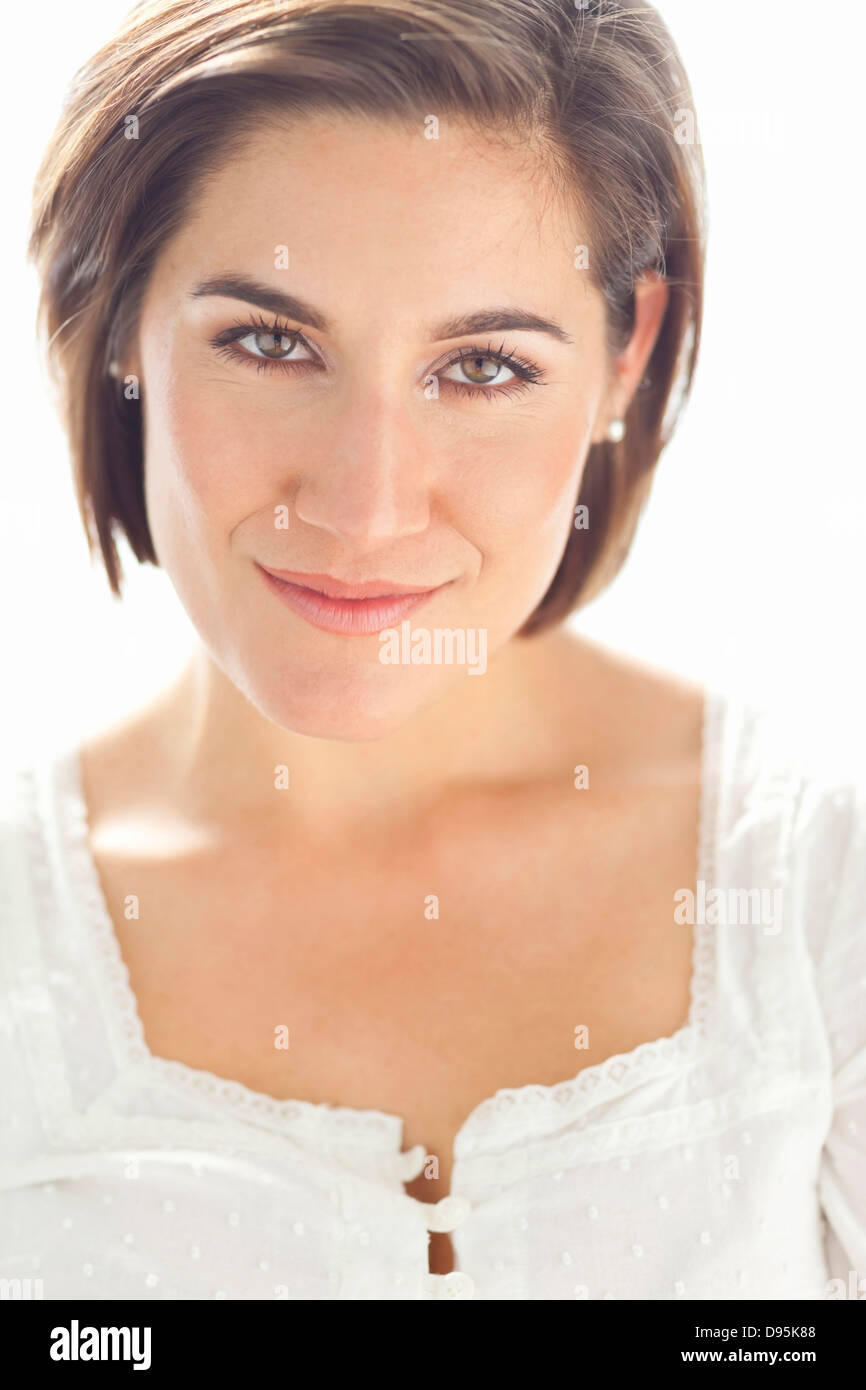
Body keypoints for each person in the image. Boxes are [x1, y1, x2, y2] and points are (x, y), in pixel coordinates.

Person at [2, 0, 862, 1301]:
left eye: (481, 368)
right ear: (121, 324)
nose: (364, 507)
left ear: (624, 354)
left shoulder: (820, 895)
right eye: (269, 342)